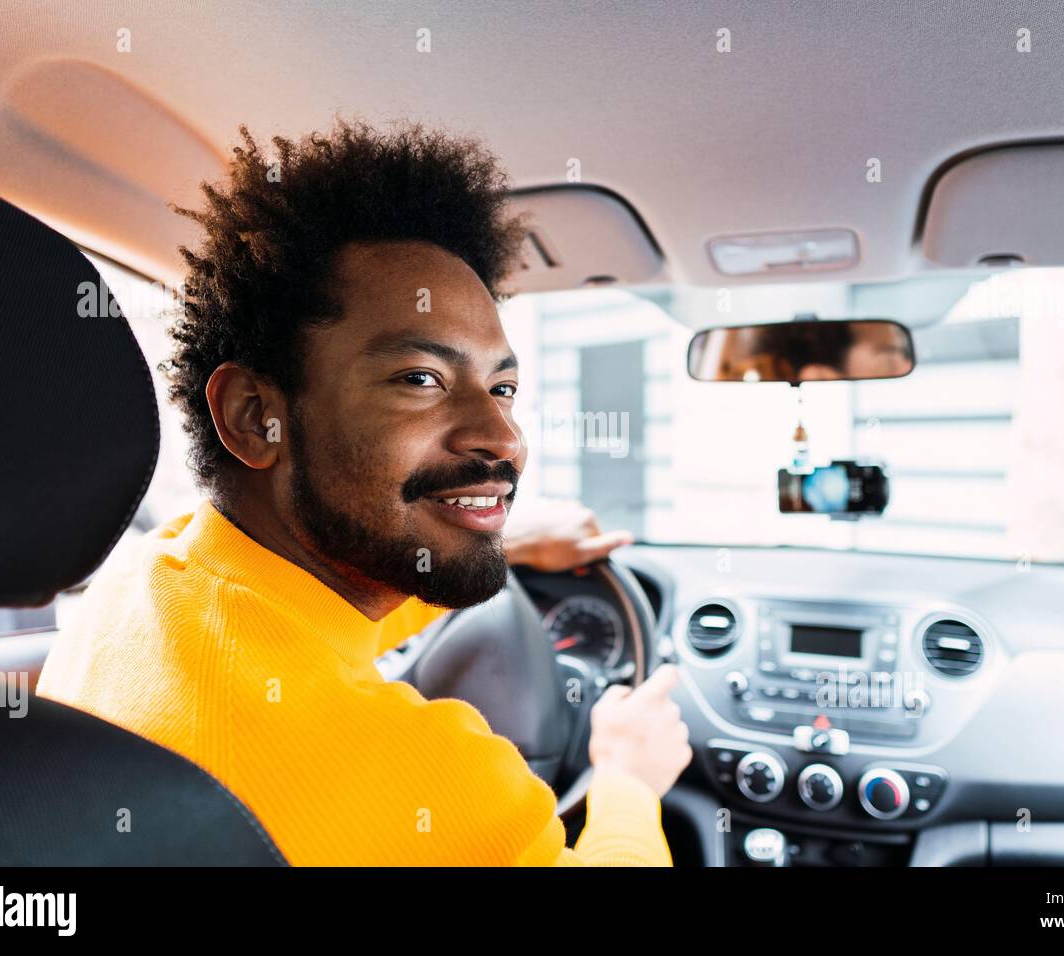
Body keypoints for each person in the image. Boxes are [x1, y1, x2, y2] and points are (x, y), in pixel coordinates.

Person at [37, 118, 691, 865]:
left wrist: (511, 541)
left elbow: (313, 617)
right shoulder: (436, 789)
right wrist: (629, 780)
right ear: (257, 418)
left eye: (503, 386)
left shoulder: (144, 583)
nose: (505, 439)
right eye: (420, 379)